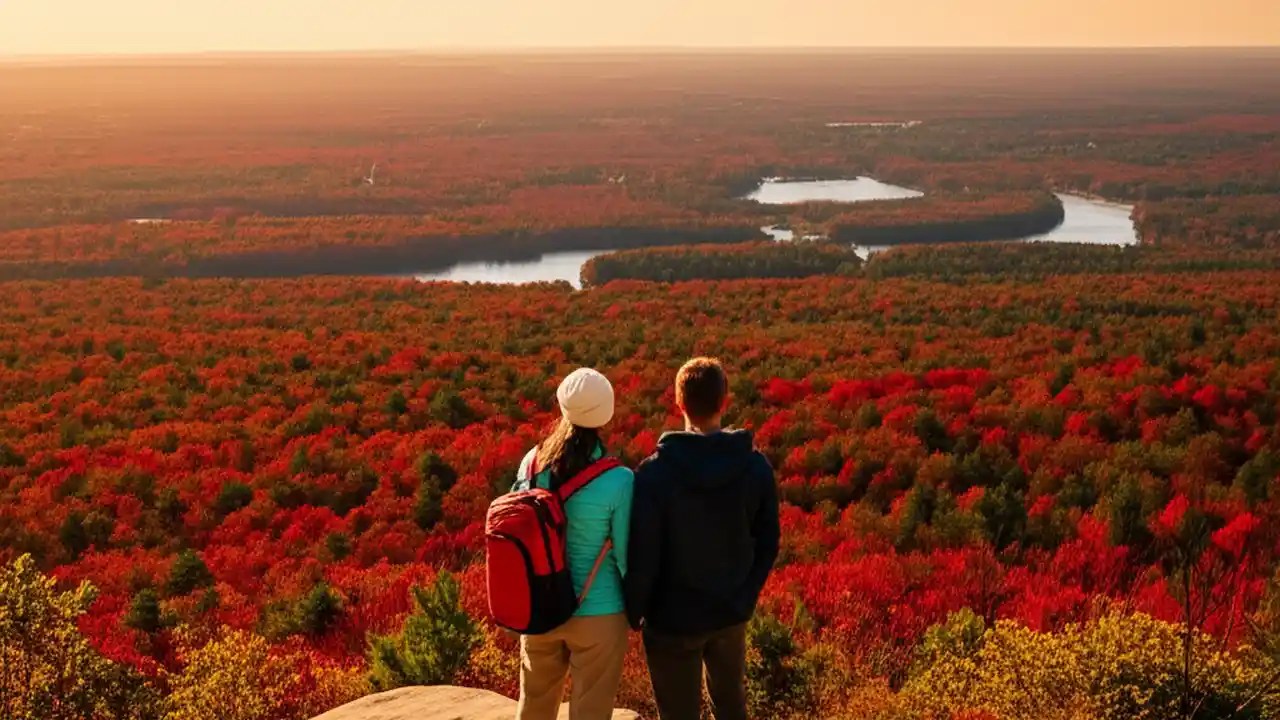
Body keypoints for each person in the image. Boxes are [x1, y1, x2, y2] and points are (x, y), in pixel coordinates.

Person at [625, 357, 780, 720]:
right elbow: (768, 541)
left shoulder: (653, 476)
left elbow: (643, 554)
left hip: (671, 621)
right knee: (732, 709)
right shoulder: (755, 468)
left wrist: (635, 612)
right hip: (729, 614)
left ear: (679, 403)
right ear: (724, 401)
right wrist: (745, 598)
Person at [513, 367, 635, 720]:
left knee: (534, 706)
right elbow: (626, 557)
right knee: (591, 712)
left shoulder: (532, 462)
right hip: (598, 611)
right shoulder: (619, 479)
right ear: (605, 414)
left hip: (540, 607)